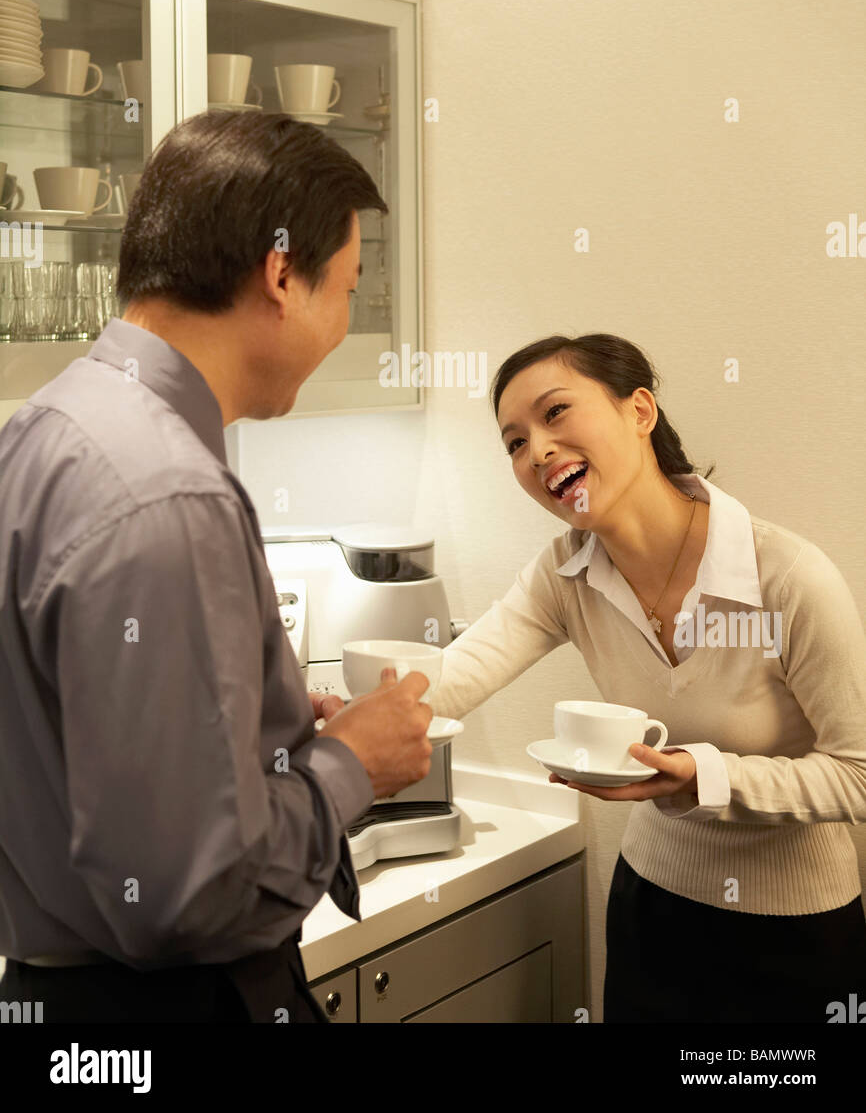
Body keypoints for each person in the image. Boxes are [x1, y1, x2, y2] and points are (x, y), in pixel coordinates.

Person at [0, 110, 433, 1023]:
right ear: (282, 276)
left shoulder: (41, 430)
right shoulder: (171, 494)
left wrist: (258, 729)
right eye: (348, 287)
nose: (346, 326)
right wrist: (356, 759)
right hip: (170, 1004)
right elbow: (188, 889)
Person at [428, 333, 866, 1023]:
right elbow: (456, 676)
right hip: (651, 909)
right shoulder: (565, 574)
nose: (537, 450)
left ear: (640, 411)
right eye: (513, 442)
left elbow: (857, 772)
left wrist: (705, 776)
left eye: (555, 413)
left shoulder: (787, 576)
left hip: (796, 932)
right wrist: (347, 708)